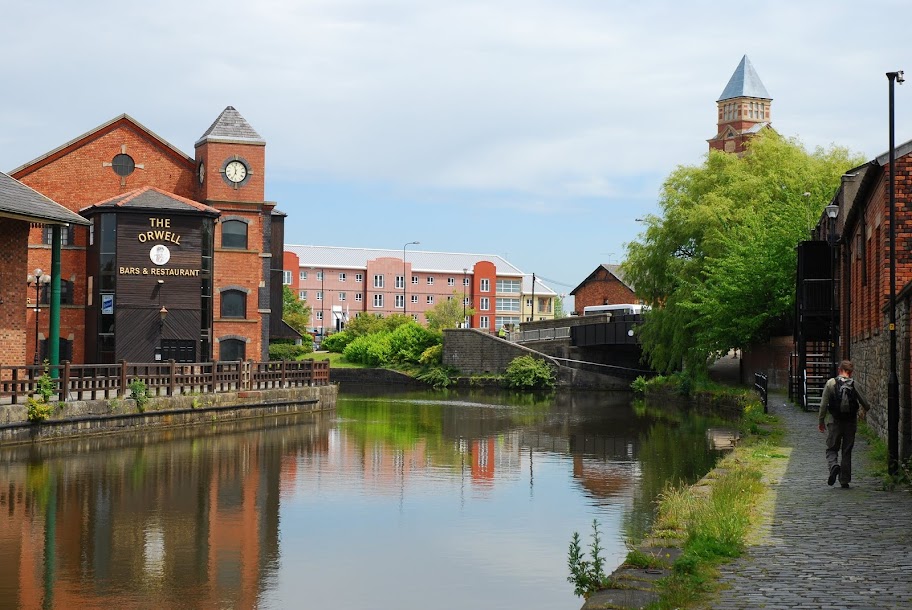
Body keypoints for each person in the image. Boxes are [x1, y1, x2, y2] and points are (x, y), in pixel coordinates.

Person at [817, 359, 869, 488]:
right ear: (850, 373)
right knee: (847, 451)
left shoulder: (831, 383)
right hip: (850, 423)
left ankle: (834, 466)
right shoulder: (854, 384)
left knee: (832, 448)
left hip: (835, 421)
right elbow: (866, 404)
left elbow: (823, 405)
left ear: (839, 370)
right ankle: (844, 480)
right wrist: (862, 412)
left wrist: (821, 421)